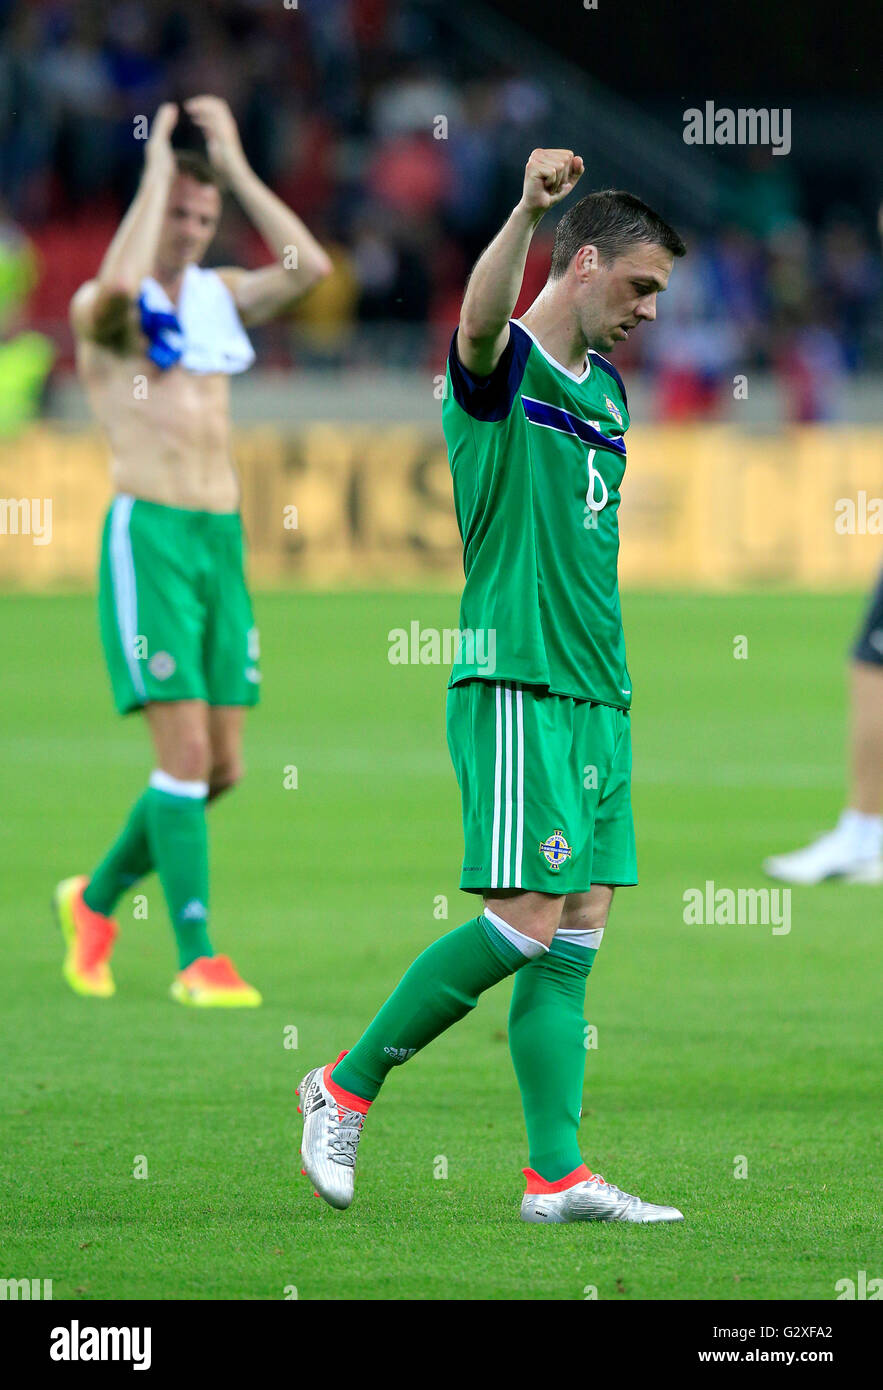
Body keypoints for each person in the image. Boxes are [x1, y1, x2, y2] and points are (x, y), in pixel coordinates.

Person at [298, 150, 687, 1223]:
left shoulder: (606, 392)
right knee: (520, 922)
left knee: (575, 933)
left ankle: (554, 1174)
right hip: (516, 676)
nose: (650, 311)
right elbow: (475, 326)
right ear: (586, 263)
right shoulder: (502, 365)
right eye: (640, 286)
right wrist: (524, 210)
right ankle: (341, 1084)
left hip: (599, 694)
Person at [55, 98, 332, 1005]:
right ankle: (195, 957)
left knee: (220, 769)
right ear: (149, 211)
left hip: (221, 539)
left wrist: (239, 168)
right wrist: (151, 180)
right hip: (154, 537)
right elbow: (111, 300)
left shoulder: (218, 298)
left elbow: (308, 268)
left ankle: (94, 902)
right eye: (179, 212)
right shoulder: (107, 308)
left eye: (202, 217)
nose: (191, 228)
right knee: (179, 760)